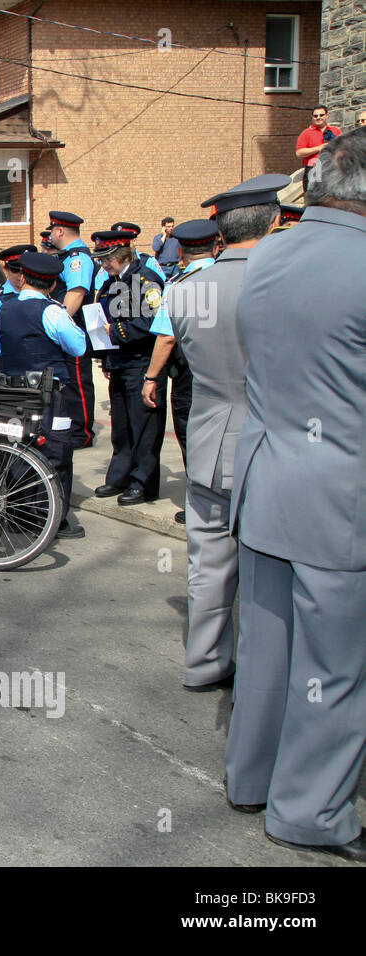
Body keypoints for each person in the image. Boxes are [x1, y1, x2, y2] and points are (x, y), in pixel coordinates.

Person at [224, 129, 366, 862]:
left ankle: (251, 777)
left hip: (269, 475)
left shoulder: (271, 251)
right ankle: (311, 811)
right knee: (334, 667)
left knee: (269, 648)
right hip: (341, 490)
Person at [161, 174, 284, 693]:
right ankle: (262, 674)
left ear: (220, 232)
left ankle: (205, 662)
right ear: (274, 221)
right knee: (266, 573)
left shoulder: (185, 291)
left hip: (210, 439)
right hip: (268, 441)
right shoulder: (281, 280)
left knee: (207, 563)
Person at [0, 252, 89, 539]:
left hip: (11, 393)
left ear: (23, 277)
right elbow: (78, 346)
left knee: (14, 452)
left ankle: (17, 514)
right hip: (47, 395)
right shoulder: (53, 312)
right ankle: (52, 518)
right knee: (55, 454)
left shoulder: (3, 309)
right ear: (53, 283)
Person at [142, 219, 221, 524]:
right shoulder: (233, 275)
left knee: (193, 437)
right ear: (216, 245)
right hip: (232, 370)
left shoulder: (178, 285)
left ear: (182, 252)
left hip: (190, 372)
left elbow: (166, 336)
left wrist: (150, 378)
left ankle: (201, 504)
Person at [89, 230, 166, 508]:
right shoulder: (111, 283)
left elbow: (152, 323)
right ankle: (120, 475)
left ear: (122, 254)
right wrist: (106, 358)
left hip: (141, 363)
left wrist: (116, 331)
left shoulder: (146, 281)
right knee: (121, 426)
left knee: (144, 427)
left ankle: (142, 483)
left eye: (107, 258)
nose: (103, 264)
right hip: (120, 362)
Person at [46, 211, 98, 449]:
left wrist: (60, 323)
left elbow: (76, 293)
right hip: (65, 326)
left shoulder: (77, 258)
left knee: (78, 381)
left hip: (73, 327)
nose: (51, 235)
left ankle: (82, 432)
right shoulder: (66, 256)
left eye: (52, 231)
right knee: (68, 382)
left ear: (60, 231)